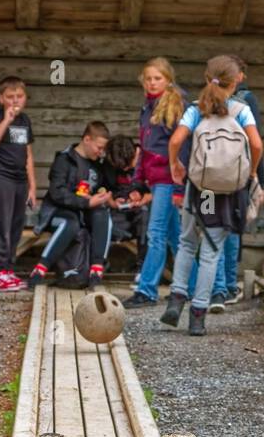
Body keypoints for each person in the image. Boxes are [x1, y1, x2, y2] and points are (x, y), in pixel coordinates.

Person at [161, 55, 262, 337]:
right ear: (236, 81)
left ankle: (177, 297)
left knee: (187, 242)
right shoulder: (241, 111)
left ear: (208, 79)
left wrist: (175, 165)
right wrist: (251, 172)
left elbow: (176, 141)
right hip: (227, 192)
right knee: (211, 252)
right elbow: (256, 144)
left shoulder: (197, 109)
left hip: (200, 189)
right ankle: (198, 316)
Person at [123, 58, 187, 309]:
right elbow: (145, 149)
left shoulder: (174, 107)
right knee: (174, 236)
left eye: (157, 78)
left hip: (169, 179)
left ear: (168, 80)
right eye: (148, 78)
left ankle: (147, 290)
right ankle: (190, 287)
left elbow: (183, 147)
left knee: (156, 233)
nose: (152, 82)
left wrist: (180, 186)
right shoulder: (147, 108)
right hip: (155, 178)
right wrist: (138, 183)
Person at [211, 54, 264, 310]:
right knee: (232, 228)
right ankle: (228, 286)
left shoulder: (202, 103)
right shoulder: (246, 103)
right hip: (239, 175)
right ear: (237, 77)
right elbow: (256, 143)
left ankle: (217, 288)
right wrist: (256, 177)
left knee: (212, 229)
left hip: (208, 176)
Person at [30, 120, 112, 286]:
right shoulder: (64, 159)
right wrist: (86, 203)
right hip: (58, 211)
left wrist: (102, 194)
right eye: (99, 147)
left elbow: (105, 186)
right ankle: (40, 269)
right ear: (87, 139)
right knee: (70, 224)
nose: (101, 152)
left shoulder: (98, 163)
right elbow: (57, 193)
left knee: (103, 215)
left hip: (85, 213)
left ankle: (97, 269)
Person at [0, 75, 36, 292]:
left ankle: (9, 268)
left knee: (15, 225)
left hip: (20, 179)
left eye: (19, 97)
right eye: (10, 97)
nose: (15, 101)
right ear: (1, 98)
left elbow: (28, 154)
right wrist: (6, 120)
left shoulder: (26, 121)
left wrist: (32, 186)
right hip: (0, 177)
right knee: (1, 224)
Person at [105, 133, 151, 279]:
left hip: (145, 211)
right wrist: (117, 199)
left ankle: (143, 268)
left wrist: (145, 196)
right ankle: (100, 264)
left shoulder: (149, 158)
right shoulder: (111, 161)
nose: (125, 170)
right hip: (121, 211)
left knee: (145, 215)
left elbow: (162, 190)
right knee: (101, 220)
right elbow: (105, 187)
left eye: (127, 166)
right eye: (120, 167)